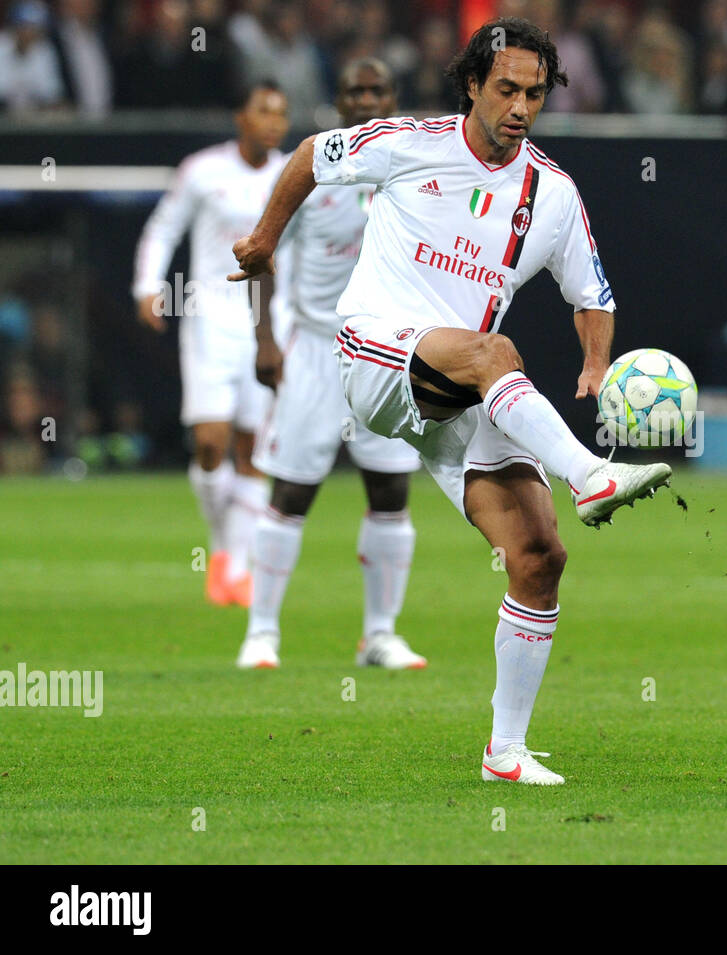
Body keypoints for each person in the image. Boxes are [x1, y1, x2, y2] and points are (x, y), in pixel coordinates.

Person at [229, 18, 671, 785]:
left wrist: (597, 362)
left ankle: (505, 752)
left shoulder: (554, 194)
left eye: (535, 93)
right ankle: (592, 472)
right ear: (472, 84)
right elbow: (310, 155)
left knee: (539, 555)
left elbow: (592, 292)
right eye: (507, 88)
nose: (521, 106)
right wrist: (266, 239)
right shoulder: (409, 141)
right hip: (374, 352)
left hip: (461, 392)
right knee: (497, 351)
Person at [236, 59, 426, 671]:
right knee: (291, 490)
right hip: (317, 347)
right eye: (355, 90)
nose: (367, 98)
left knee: (391, 490)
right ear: (339, 102)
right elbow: (258, 254)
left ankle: (380, 635)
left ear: (394, 98)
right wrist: (265, 340)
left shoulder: (419, 169)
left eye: (378, 89)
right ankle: (261, 633)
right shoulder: (310, 171)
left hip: (390, 350)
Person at [132, 81, 290, 607]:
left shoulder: (292, 174)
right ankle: (222, 544)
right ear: (240, 118)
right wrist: (148, 286)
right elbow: (163, 227)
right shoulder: (202, 171)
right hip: (208, 319)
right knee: (209, 442)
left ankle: (235, 569)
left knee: (252, 449)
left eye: (280, 114)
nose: (273, 122)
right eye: (263, 111)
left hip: (270, 325)